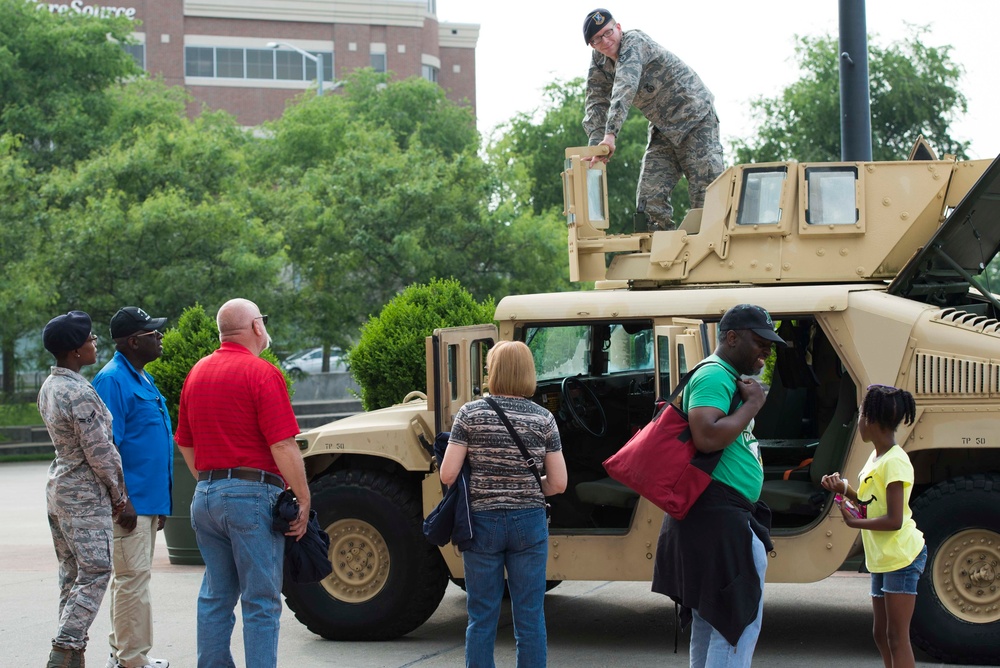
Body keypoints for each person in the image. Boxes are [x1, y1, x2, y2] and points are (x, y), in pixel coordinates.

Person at [174, 299, 310, 668]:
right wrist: (303, 496)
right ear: (255, 327)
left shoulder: (197, 372)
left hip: (206, 497)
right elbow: (282, 444)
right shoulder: (261, 372)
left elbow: (184, 441)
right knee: (261, 600)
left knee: (216, 596)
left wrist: (210, 482)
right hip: (251, 496)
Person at [651, 304, 785, 667]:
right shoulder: (715, 375)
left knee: (713, 622)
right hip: (717, 519)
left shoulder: (725, 375)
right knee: (735, 625)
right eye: (760, 342)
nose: (767, 352)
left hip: (719, 516)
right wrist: (754, 404)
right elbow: (707, 435)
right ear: (731, 337)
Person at [440, 341, 568, 668]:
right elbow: (558, 484)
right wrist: (528, 484)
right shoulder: (544, 419)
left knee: (481, 616)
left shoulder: (470, 413)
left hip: (481, 523)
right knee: (529, 616)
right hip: (529, 522)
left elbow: (448, 473)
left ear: (493, 371)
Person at [37, 310, 128, 668]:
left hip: (61, 489)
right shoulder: (77, 391)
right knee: (96, 571)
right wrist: (119, 493)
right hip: (84, 495)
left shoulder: (51, 386)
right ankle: (65, 647)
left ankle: (72, 656)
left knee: (73, 575)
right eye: (90, 339)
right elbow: (101, 451)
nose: (95, 343)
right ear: (75, 351)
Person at [581, 8, 725, 232]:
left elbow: (624, 86)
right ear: (592, 45)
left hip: (695, 120)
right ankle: (662, 259)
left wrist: (610, 135)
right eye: (597, 39)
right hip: (664, 130)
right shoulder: (600, 61)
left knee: (707, 195)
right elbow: (596, 100)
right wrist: (594, 147)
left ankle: (711, 257)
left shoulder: (634, 42)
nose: (605, 40)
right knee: (649, 200)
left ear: (618, 28)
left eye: (608, 32)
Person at [821, 385, 926, 668]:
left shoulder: (895, 461)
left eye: (861, 415)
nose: (858, 422)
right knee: (881, 633)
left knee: (896, 635)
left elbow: (894, 520)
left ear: (871, 419)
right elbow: (871, 501)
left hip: (901, 558)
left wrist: (855, 521)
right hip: (883, 557)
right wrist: (844, 489)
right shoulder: (877, 457)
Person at [92, 307, 173, 668]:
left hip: (147, 500)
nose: (159, 337)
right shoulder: (112, 380)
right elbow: (107, 448)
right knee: (132, 581)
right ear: (132, 341)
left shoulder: (142, 377)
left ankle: (124, 655)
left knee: (131, 579)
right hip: (130, 503)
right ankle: (131, 661)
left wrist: (161, 502)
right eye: (152, 333)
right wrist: (122, 501)